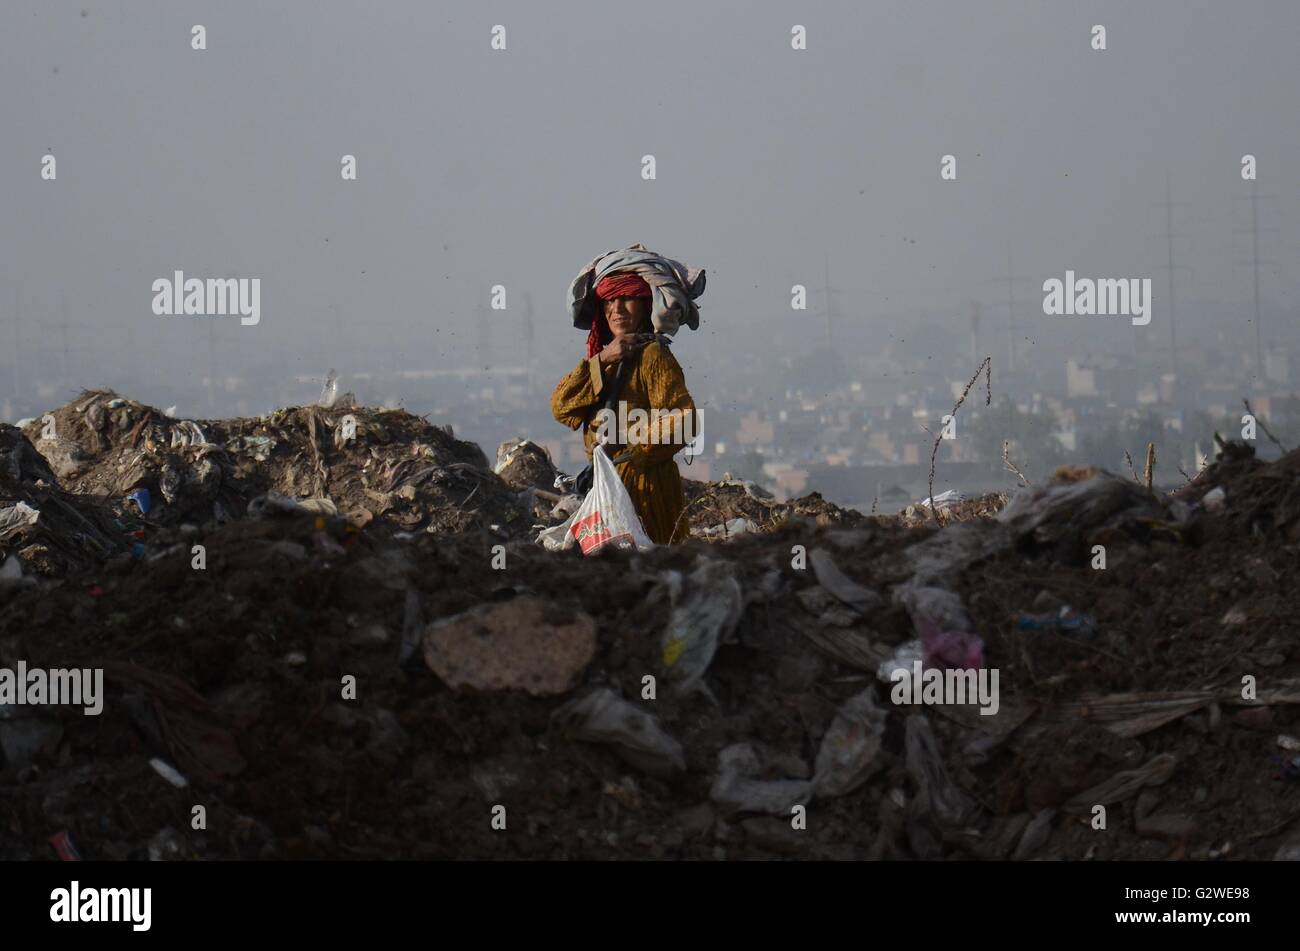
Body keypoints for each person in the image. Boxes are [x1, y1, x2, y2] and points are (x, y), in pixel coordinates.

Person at [551, 271, 697, 544]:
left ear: (645, 306)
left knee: (648, 564)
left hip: (646, 489)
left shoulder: (653, 356)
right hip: (606, 486)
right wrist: (604, 358)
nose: (617, 308)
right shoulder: (605, 361)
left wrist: (628, 451)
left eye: (627, 298)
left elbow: (683, 420)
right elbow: (562, 406)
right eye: (610, 300)